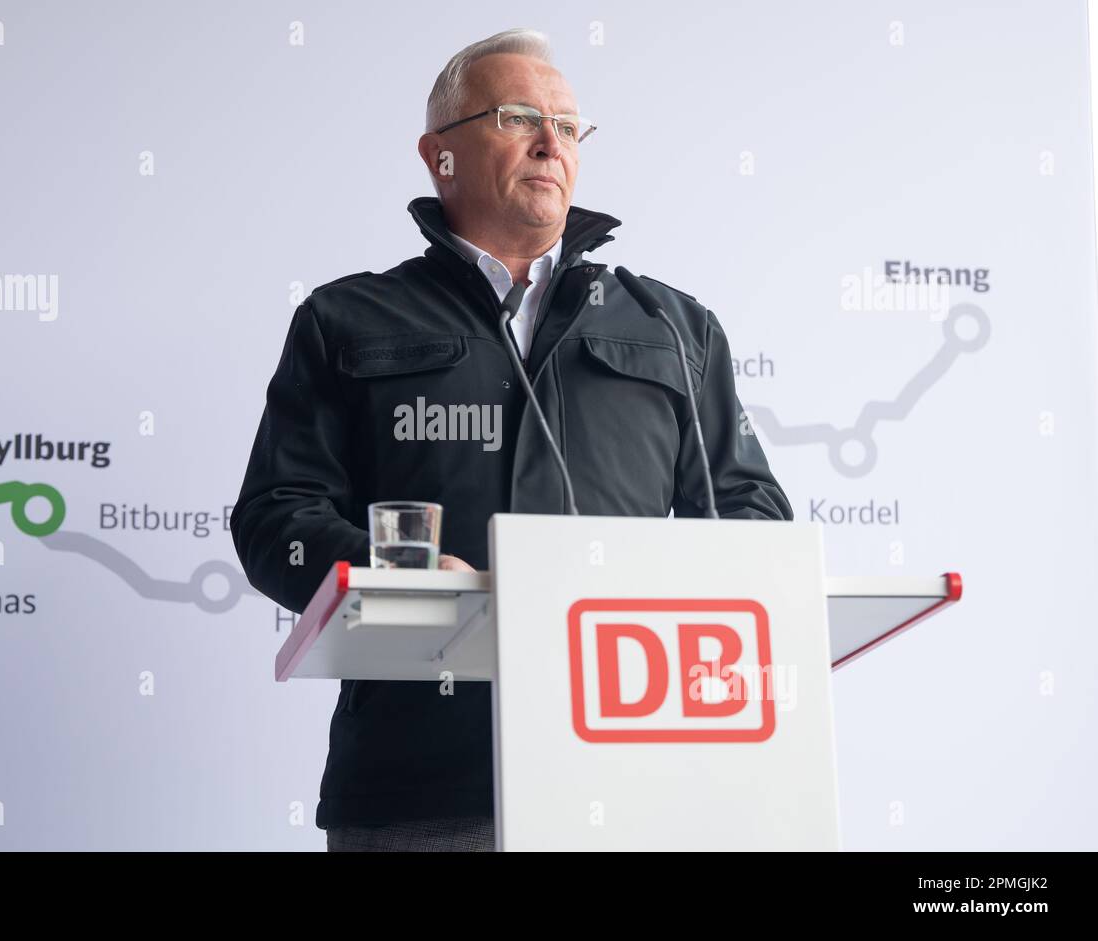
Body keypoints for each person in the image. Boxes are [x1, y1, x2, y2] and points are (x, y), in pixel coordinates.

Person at [229, 27, 793, 852]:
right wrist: (410, 575)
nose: (549, 142)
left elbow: (754, 524)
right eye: (518, 116)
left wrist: (632, 593)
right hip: (421, 794)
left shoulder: (674, 326)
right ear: (439, 155)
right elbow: (275, 519)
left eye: (568, 126)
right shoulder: (344, 321)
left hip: (634, 782)